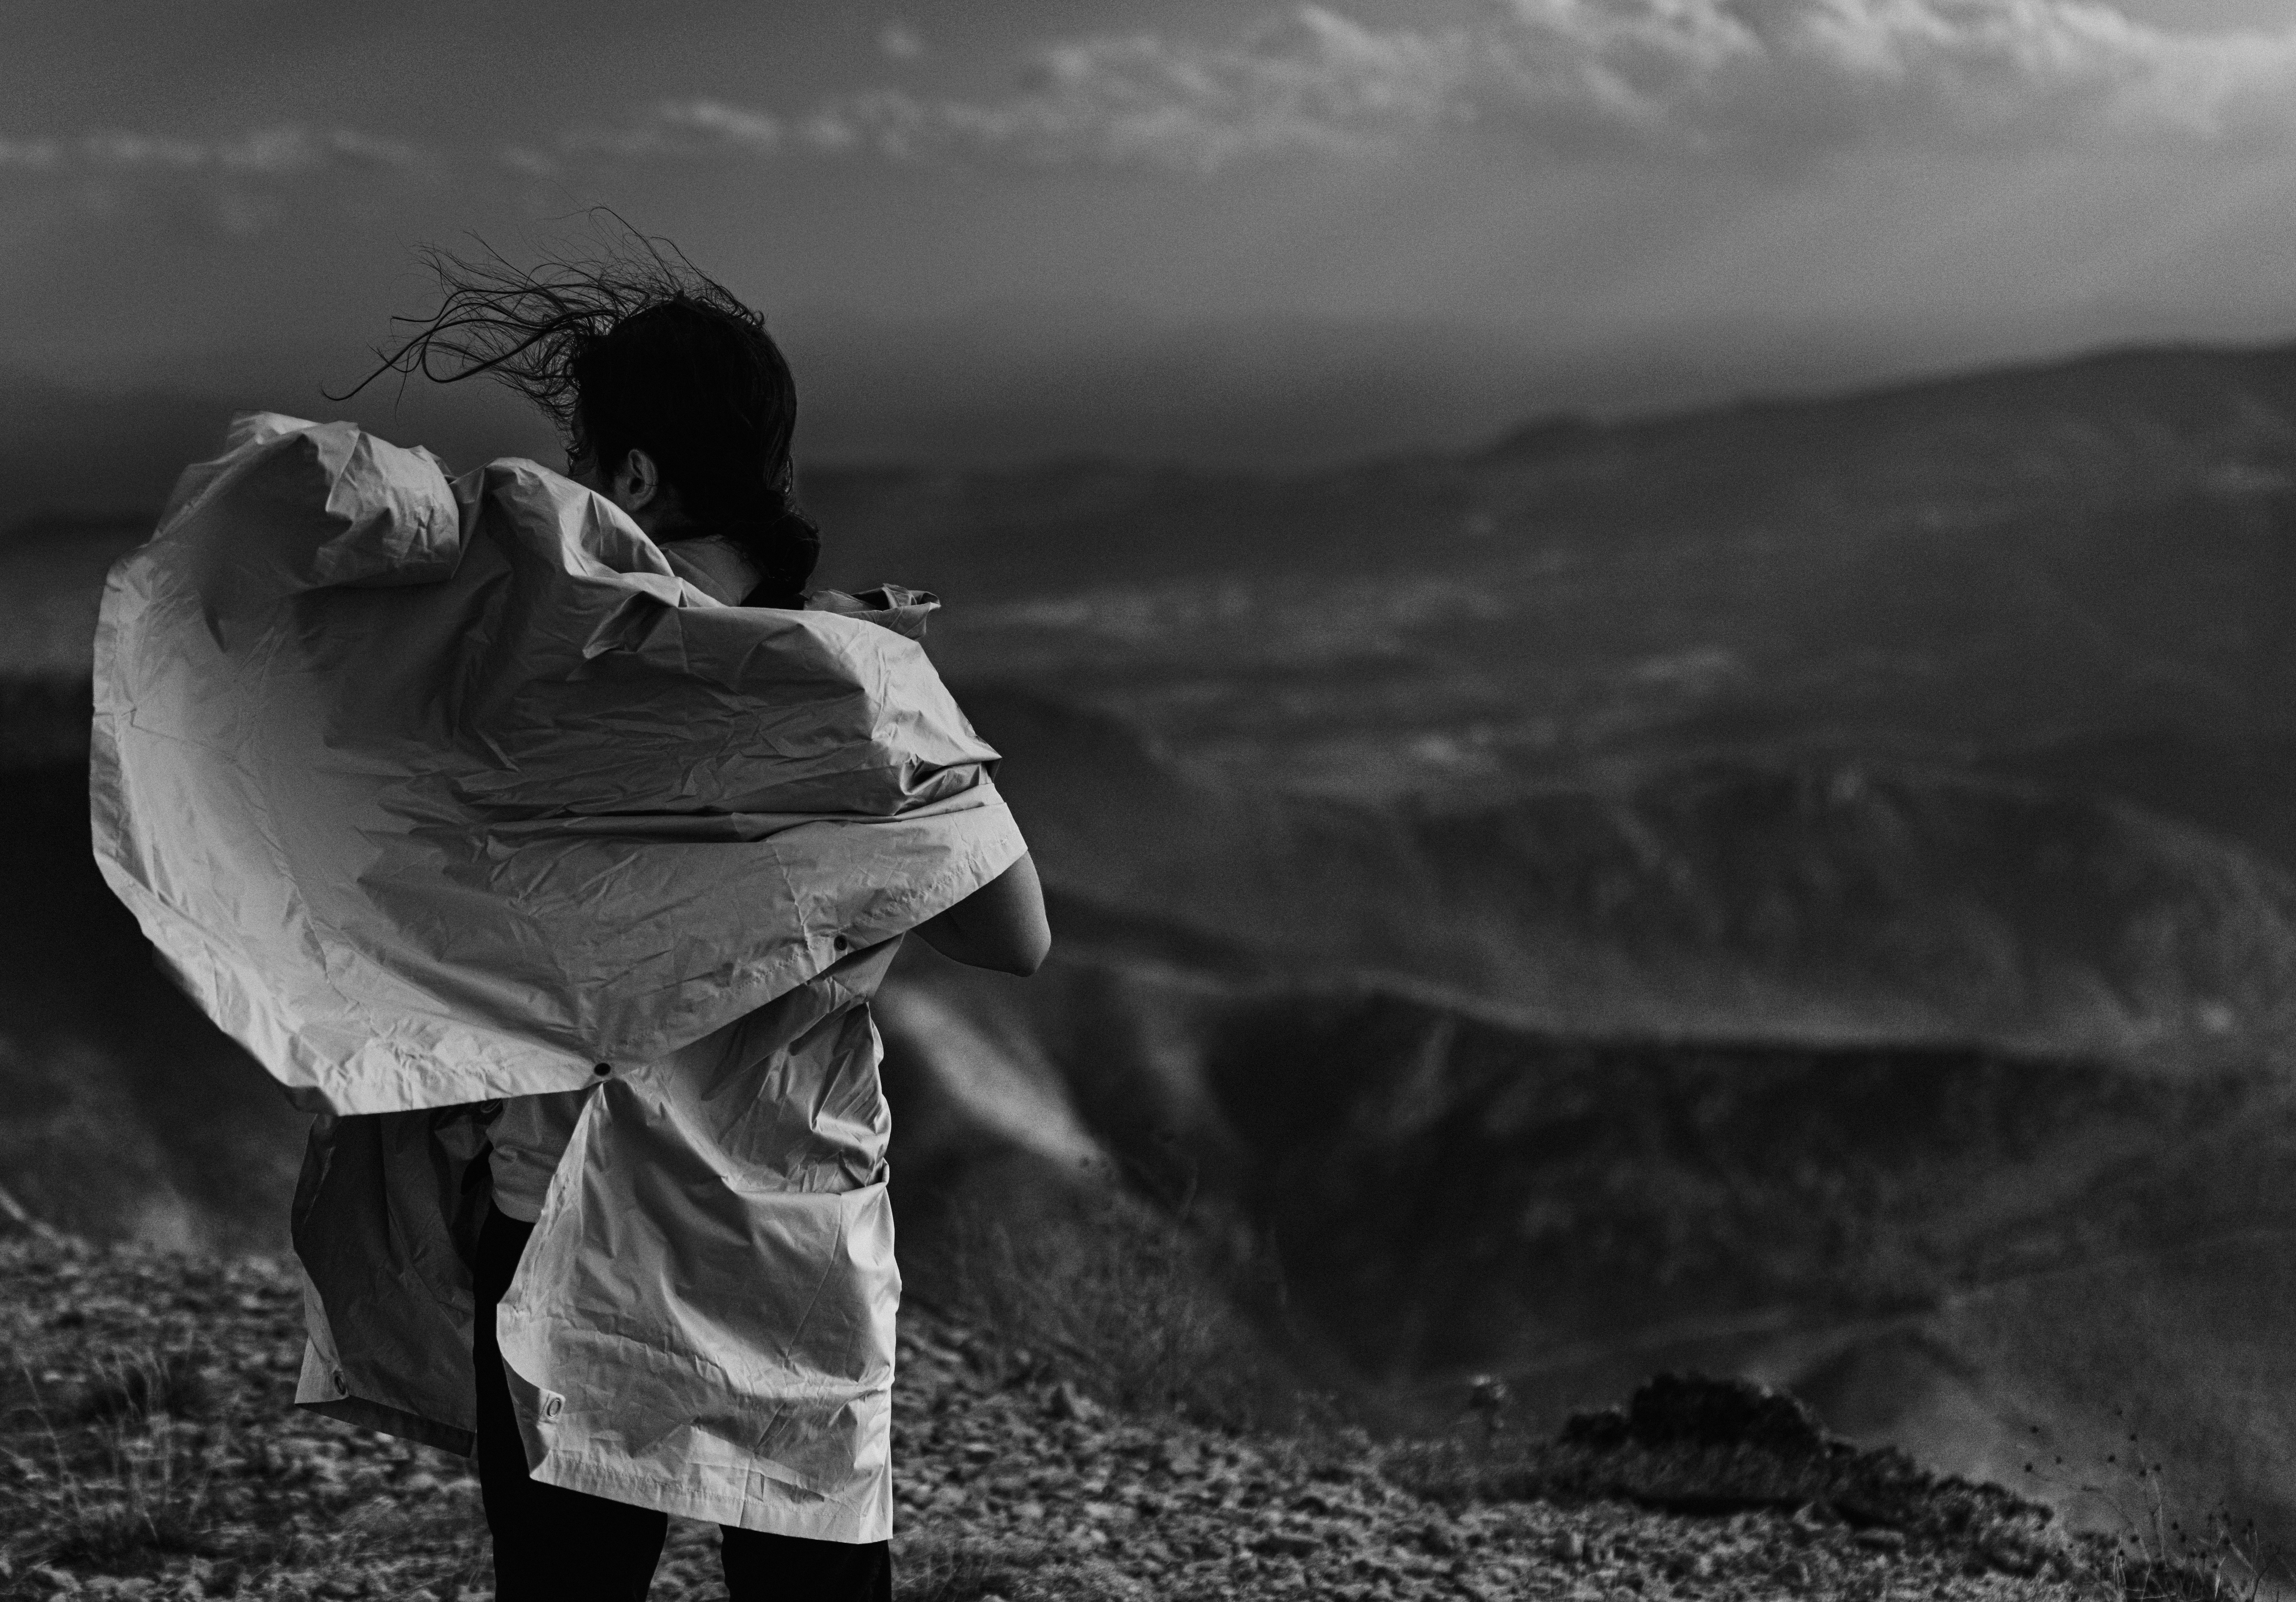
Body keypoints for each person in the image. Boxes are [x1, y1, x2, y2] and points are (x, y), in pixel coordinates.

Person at [89, 238, 1047, 1602]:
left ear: (638, 478)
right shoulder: (853, 693)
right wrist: (882, 695)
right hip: (783, 1240)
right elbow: (1014, 938)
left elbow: (282, 521)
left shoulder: (522, 680)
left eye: (596, 466)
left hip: (563, 1226)